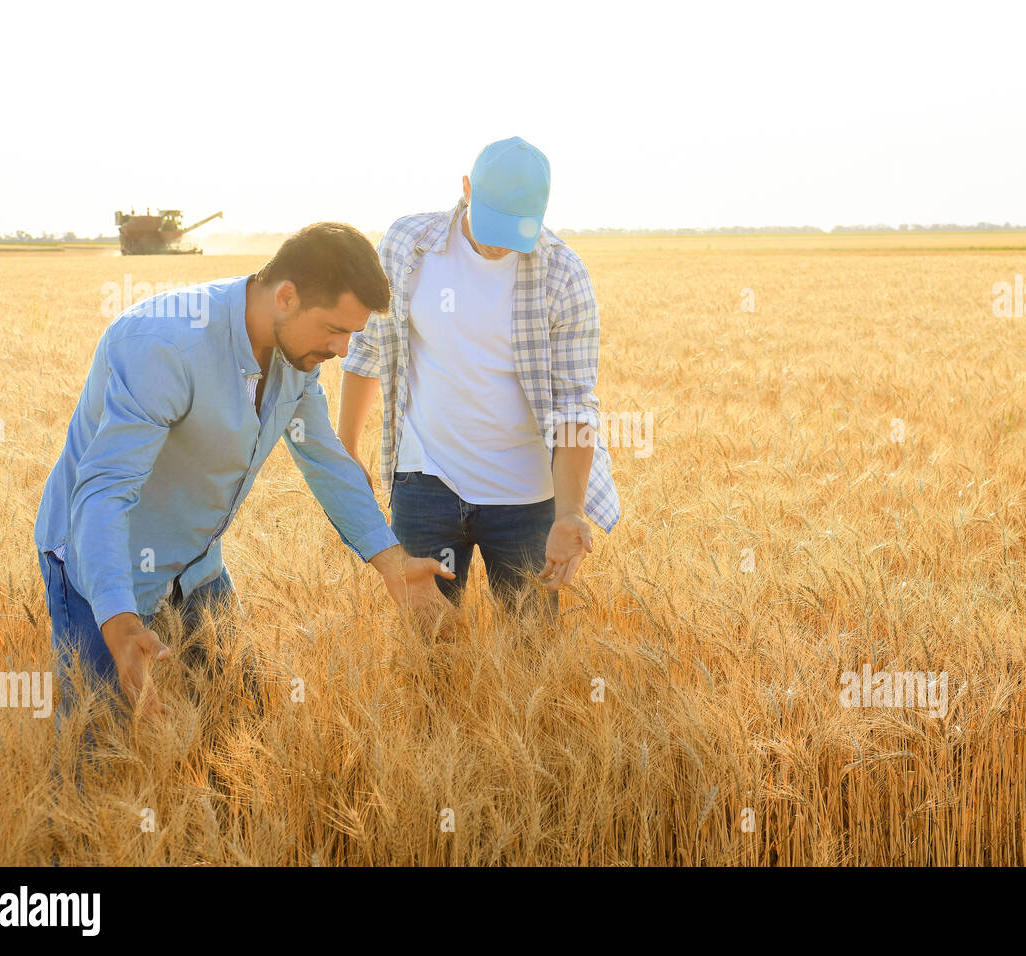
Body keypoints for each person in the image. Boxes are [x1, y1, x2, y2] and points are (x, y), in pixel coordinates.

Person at [35, 222, 454, 722]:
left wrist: (393, 562)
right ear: (287, 296)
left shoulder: (298, 355)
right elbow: (105, 491)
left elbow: (324, 458)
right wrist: (121, 624)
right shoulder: (164, 346)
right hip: (102, 566)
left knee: (240, 722)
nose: (343, 350)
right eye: (335, 329)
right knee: (100, 745)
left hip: (197, 563)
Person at [338, 137, 620, 615]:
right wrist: (346, 449)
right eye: (493, 224)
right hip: (424, 484)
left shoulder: (563, 274)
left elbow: (575, 403)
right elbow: (368, 348)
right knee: (426, 649)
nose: (499, 243)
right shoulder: (409, 246)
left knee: (532, 654)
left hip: (528, 496)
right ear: (466, 188)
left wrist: (570, 511)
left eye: (516, 229)